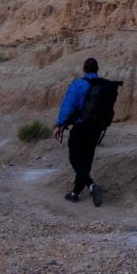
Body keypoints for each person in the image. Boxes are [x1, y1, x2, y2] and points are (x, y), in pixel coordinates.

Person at [54, 57, 105, 206]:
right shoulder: (103, 85)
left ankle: (91, 185)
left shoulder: (78, 84)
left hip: (81, 127)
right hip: (97, 128)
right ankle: (75, 193)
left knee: (75, 158)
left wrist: (59, 124)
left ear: (84, 69)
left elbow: (68, 105)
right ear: (97, 69)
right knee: (86, 160)